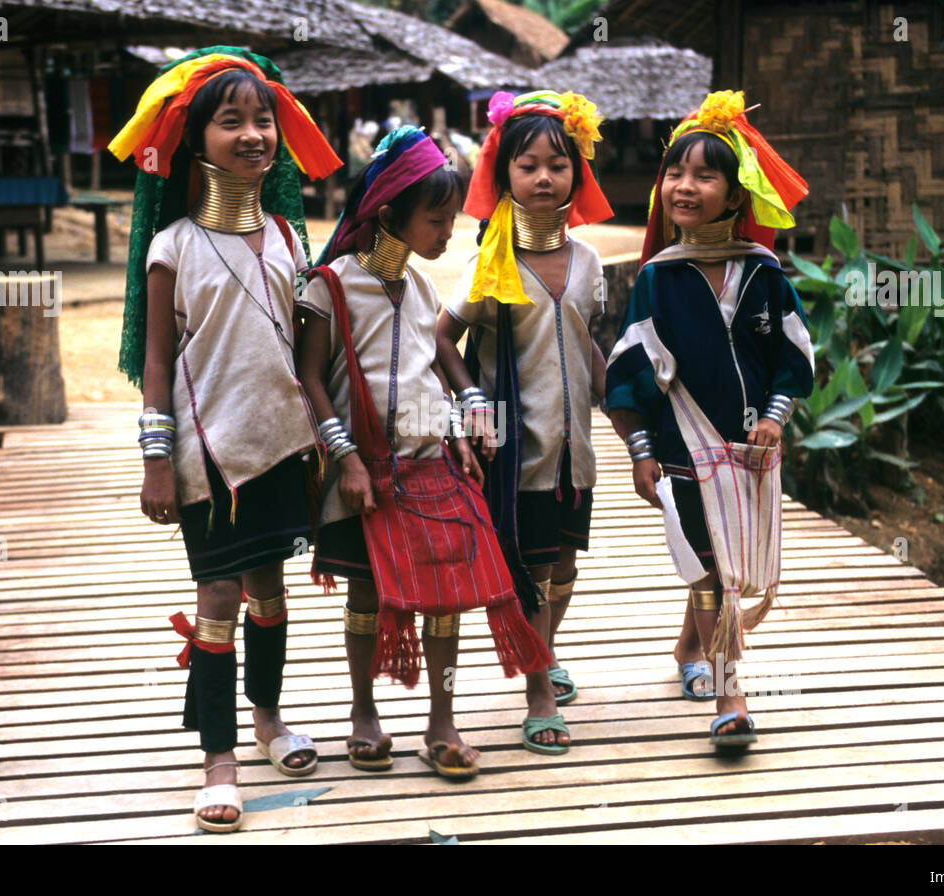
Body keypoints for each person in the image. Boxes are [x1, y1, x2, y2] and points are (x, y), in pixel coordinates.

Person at [108, 47, 342, 831]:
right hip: (206, 458)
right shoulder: (170, 246)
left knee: (269, 593)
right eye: (230, 120)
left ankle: (270, 719)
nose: (252, 134)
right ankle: (220, 760)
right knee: (216, 601)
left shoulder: (285, 238)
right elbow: (156, 361)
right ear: (194, 140)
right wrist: (155, 459)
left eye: (262, 118)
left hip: (279, 446)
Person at [297, 126, 549, 780]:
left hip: (432, 463)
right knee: (363, 591)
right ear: (387, 214)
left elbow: (445, 365)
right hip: (360, 468)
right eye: (436, 219)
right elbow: (307, 379)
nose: (448, 231)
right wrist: (343, 456)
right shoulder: (330, 286)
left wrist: (472, 415)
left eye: (451, 217)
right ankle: (362, 712)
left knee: (446, 594)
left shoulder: (422, 290)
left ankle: (442, 720)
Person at [604, 90, 813, 748]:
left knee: (720, 562)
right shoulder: (658, 281)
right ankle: (731, 694)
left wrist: (776, 416)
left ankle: (686, 649)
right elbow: (627, 371)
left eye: (704, 174)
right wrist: (639, 448)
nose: (683, 186)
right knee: (712, 569)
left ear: (736, 193)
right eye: (674, 172)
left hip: (751, 450)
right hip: (681, 448)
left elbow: (794, 355)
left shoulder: (765, 276)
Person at [436, 90, 613, 755]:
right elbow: (439, 338)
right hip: (519, 448)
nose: (544, 178)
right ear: (503, 176)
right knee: (529, 571)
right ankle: (539, 691)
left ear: (577, 174)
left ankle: (546, 648)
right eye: (528, 165)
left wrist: (624, 406)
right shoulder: (493, 262)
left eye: (558, 165)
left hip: (577, 449)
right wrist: (469, 401)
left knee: (565, 564)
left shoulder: (589, 262)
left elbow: (584, 338)